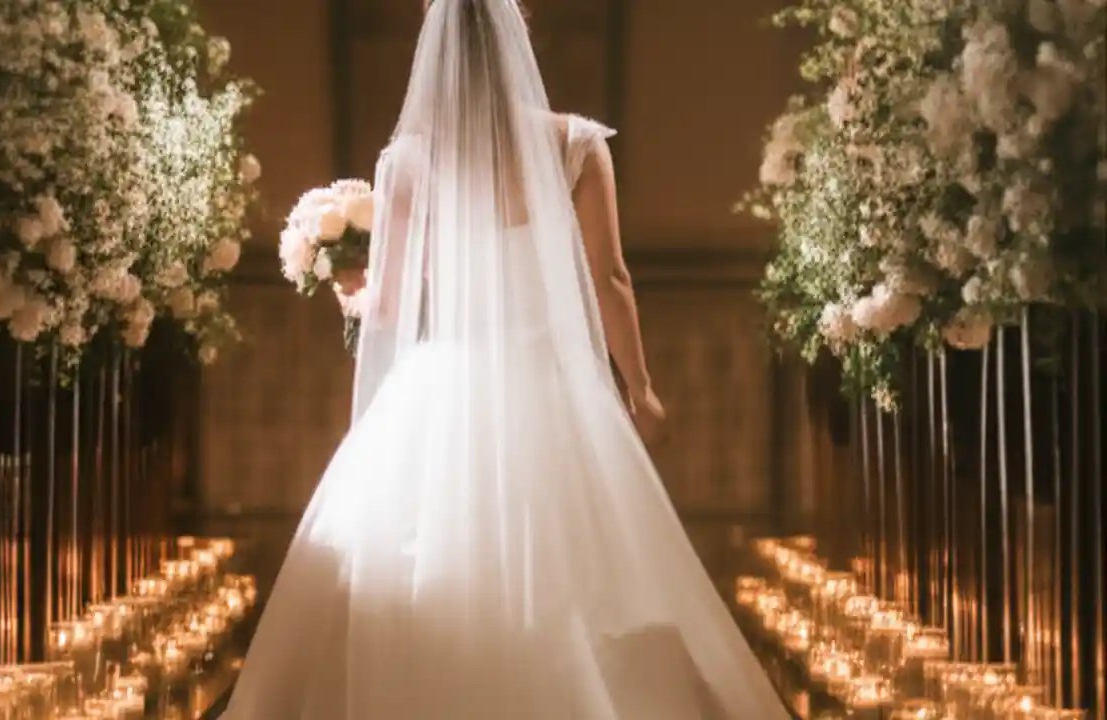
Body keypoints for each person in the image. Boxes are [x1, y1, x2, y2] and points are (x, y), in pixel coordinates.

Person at [222, 1, 790, 717]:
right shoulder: (575, 146)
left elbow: (389, 308)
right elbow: (611, 278)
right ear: (518, 32)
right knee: (580, 577)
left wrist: (345, 283)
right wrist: (640, 389)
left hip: (440, 388)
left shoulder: (406, 164)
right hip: (552, 386)